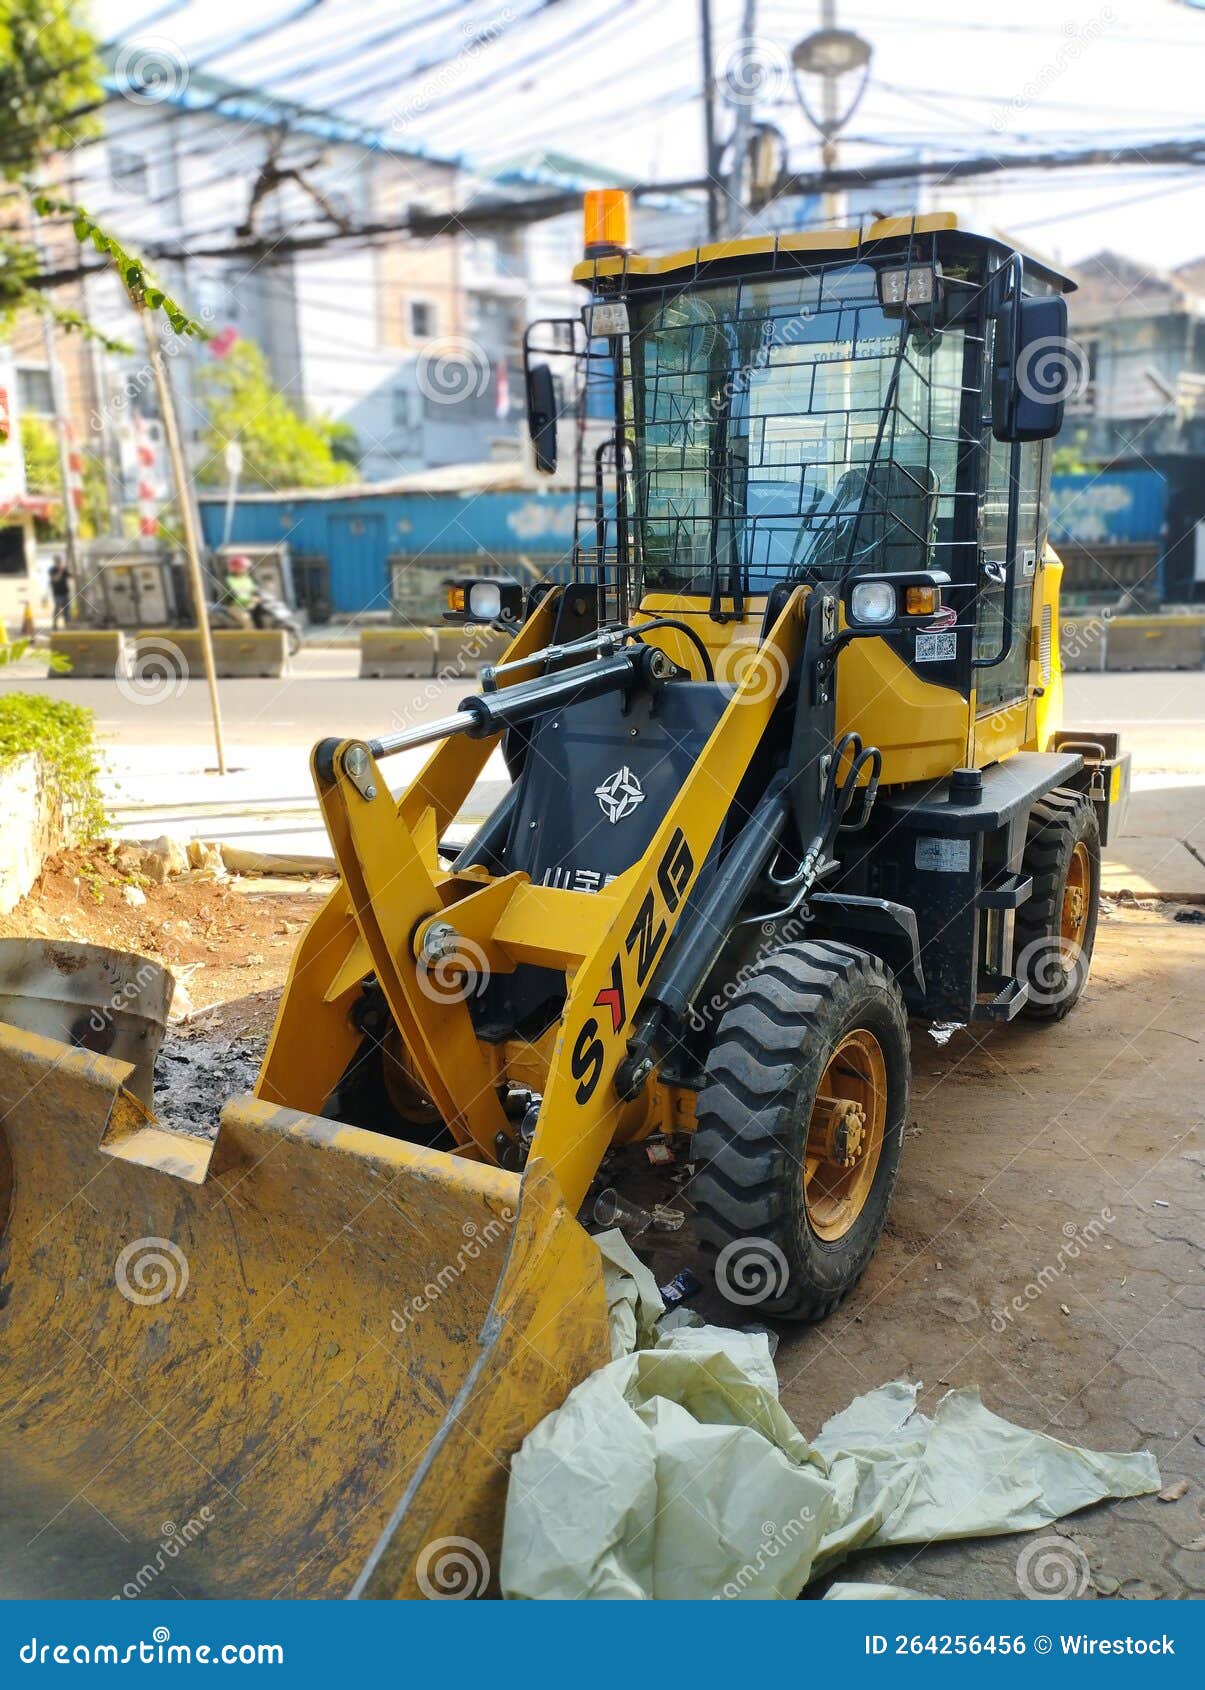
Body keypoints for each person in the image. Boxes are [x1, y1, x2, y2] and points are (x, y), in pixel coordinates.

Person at [223, 553, 258, 626]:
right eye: (244, 567)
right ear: (237, 568)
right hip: (235, 607)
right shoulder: (229, 580)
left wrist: (255, 598)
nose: (246, 569)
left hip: (247, 605)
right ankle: (249, 636)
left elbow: (253, 591)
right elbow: (230, 597)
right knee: (246, 621)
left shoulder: (247, 579)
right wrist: (249, 601)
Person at [49, 555, 71, 629]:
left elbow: (70, 576)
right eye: (57, 561)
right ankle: (55, 624)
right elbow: (56, 579)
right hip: (57, 593)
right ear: (55, 562)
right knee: (57, 609)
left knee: (67, 609)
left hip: (65, 592)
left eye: (60, 561)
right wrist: (60, 571)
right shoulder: (52, 570)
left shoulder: (64, 569)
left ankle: (67, 624)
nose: (59, 562)